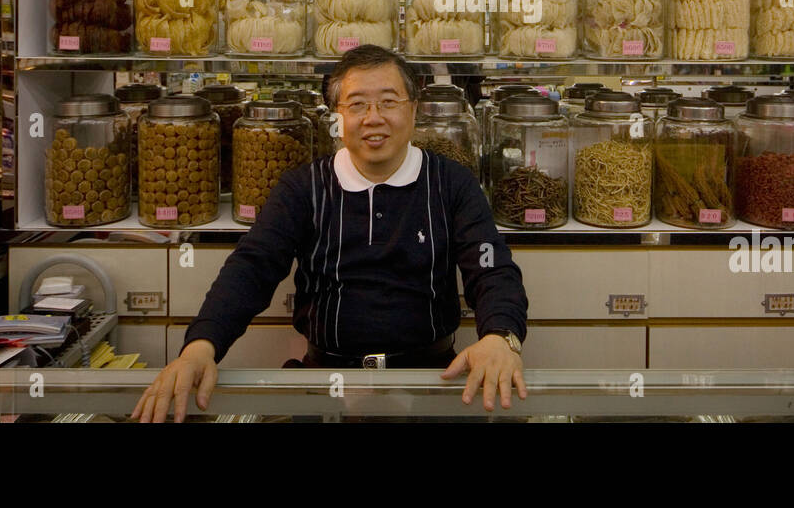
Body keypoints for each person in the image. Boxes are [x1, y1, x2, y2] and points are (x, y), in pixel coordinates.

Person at [134, 45, 529, 422]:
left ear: (413, 111)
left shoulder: (451, 183)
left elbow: (491, 266)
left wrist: (500, 335)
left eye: (389, 102)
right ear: (337, 116)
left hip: (432, 381)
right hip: (325, 383)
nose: (373, 117)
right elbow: (252, 266)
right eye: (356, 105)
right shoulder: (304, 187)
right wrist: (202, 345)